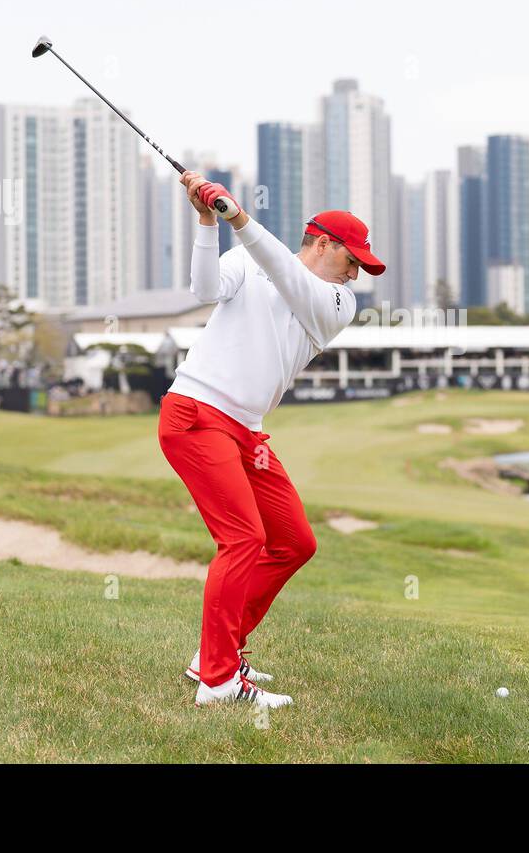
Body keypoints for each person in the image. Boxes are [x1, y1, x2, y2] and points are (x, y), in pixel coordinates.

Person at [157, 173, 385, 709]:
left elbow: (287, 273)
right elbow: (205, 290)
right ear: (324, 243)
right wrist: (208, 221)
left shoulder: (334, 304)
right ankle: (217, 681)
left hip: (249, 429)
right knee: (242, 540)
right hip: (196, 412)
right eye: (352, 260)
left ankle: (214, 654)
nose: (356, 274)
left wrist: (239, 218)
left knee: (295, 542)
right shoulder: (249, 260)